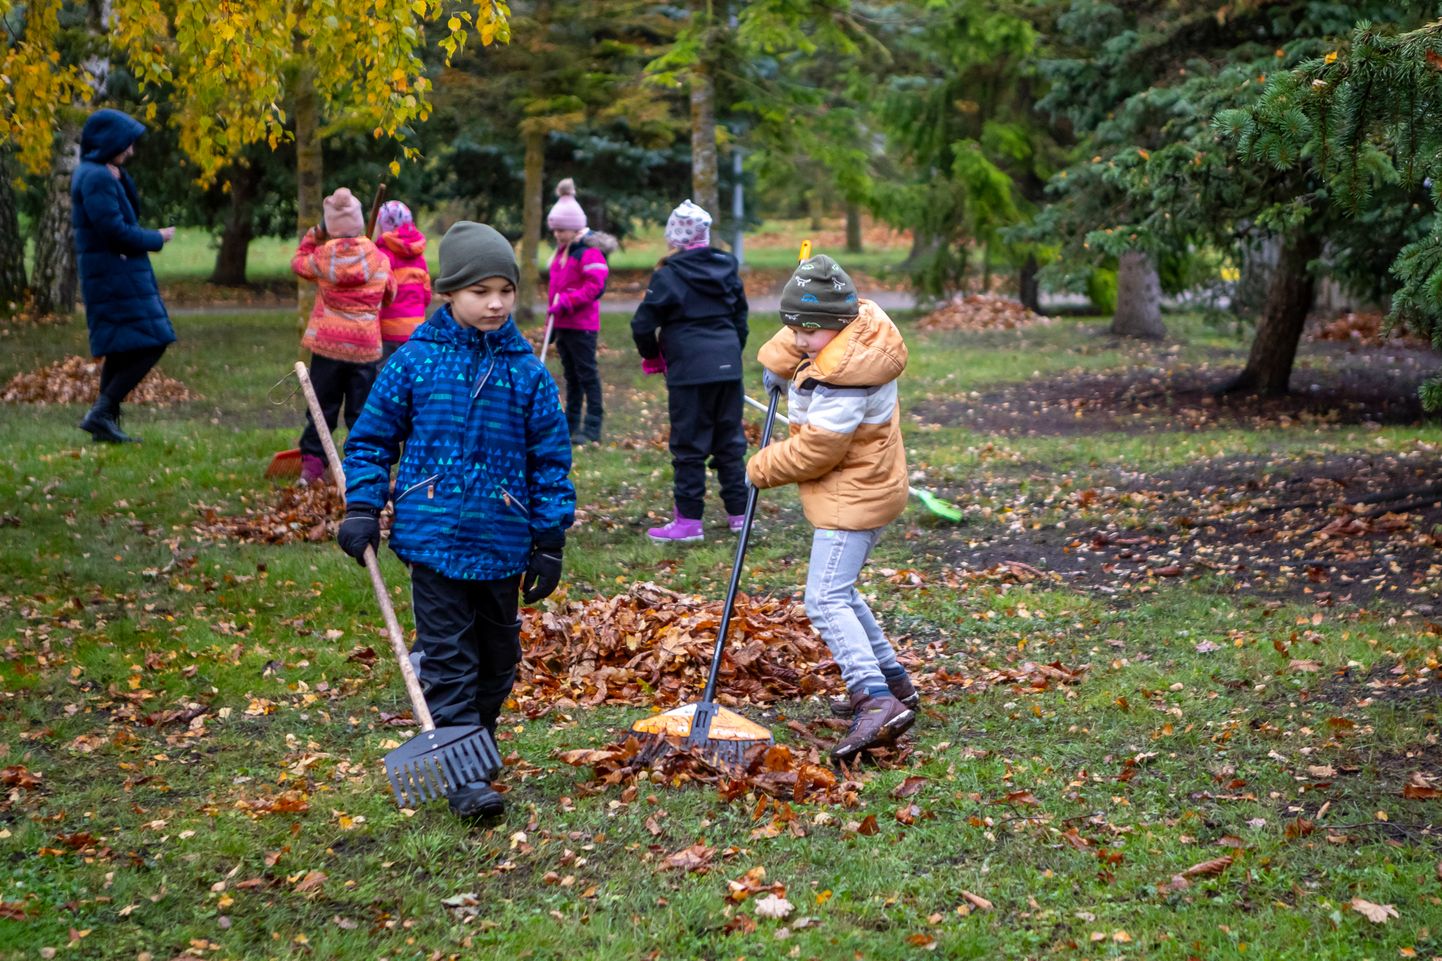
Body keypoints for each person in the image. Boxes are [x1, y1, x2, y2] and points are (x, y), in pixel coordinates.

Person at [337, 222, 575, 819]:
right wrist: (363, 506)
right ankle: (464, 778)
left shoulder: (527, 374)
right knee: (448, 659)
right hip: (433, 538)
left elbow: (550, 461)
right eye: (480, 291)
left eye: (505, 290)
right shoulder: (414, 363)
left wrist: (549, 538)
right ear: (449, 293)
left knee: (498, 661)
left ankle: (475, 745)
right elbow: (369, 441)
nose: (495, 303)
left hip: (502, 541)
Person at [745, 254, 919, 764]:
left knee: (823, 599)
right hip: (868, 488)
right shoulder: (854, 333)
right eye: (791, 329)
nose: (799, 340)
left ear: (836, 326)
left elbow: (819, 450)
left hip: (854, 496)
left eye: (807, 332)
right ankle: (896, 685)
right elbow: (802, 345)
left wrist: (761, 467)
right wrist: (781, 366)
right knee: (841, 592)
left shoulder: (847, 378)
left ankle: (875, 698)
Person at [630, 199, 750, 542]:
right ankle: (739, 514)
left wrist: (653, 356)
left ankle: (689, 522)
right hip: (727, 365)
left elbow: (642, 324)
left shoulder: (668, 275)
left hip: (689, 368)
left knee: (689, 444)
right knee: (730, 440)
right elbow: (740, 318)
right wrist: (730, 354)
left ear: (674, 238)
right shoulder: (728, 269)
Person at [71, 108, 177, 444]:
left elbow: (129, 208)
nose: (130, 150)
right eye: (126, 144)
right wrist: (156, 238)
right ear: (109, 143)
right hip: (115, 275)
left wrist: (118, 174)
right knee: (154, 341)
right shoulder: (95, 177)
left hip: (114, 275)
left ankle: (105, 423)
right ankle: (102, 411)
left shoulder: (98, 172)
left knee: (121, 347)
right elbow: (115, 231)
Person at [291, 187, 396, 485]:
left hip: (328, 347)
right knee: (361, 412)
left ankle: (312, 467)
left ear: (330, 226)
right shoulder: (378, 258)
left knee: (321, 407)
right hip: (365, 349)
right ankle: (362, 468)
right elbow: (389, 294)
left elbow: (298, 262)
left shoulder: (322, 259)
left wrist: (315, 233)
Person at [545, 178, 615, 444]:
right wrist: (550, 320)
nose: (557, 235)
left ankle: (593, 426)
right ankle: (570, 423)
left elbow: (595, 286)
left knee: (587, 375)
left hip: (582, 325)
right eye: (554, 230)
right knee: (571, 376)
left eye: (561, 230)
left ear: (573, 227)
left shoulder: (589, 253)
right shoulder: (563, 253)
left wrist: (568, 302)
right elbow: (554, 291)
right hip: (563, 325)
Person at [373, 200, 433, 360]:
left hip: (388, 331)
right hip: (415, 329)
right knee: (411, 372)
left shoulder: (382, 256)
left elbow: (377, 294)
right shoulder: (419, 257)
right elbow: (426, 296)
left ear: (383, 225)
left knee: (384, 372)